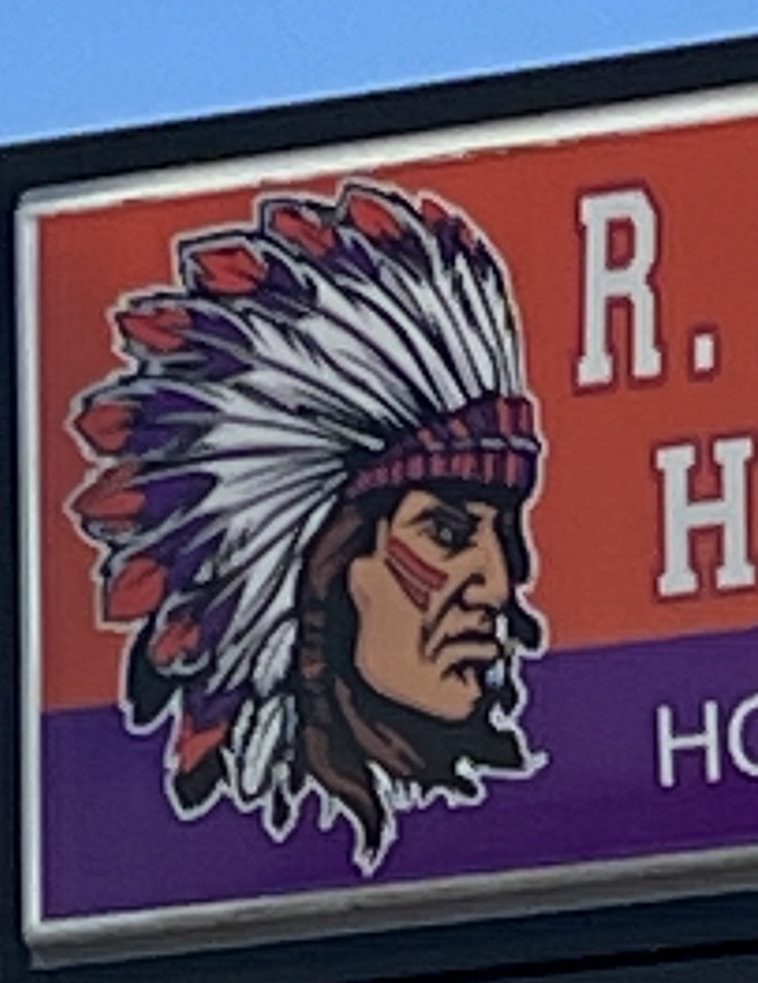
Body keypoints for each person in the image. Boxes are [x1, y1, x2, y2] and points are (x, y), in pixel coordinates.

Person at [65, 180, 545, 870]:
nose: (496, 587)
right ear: (328, 561)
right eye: (445, 534)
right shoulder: (214, 871)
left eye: (506, 537)